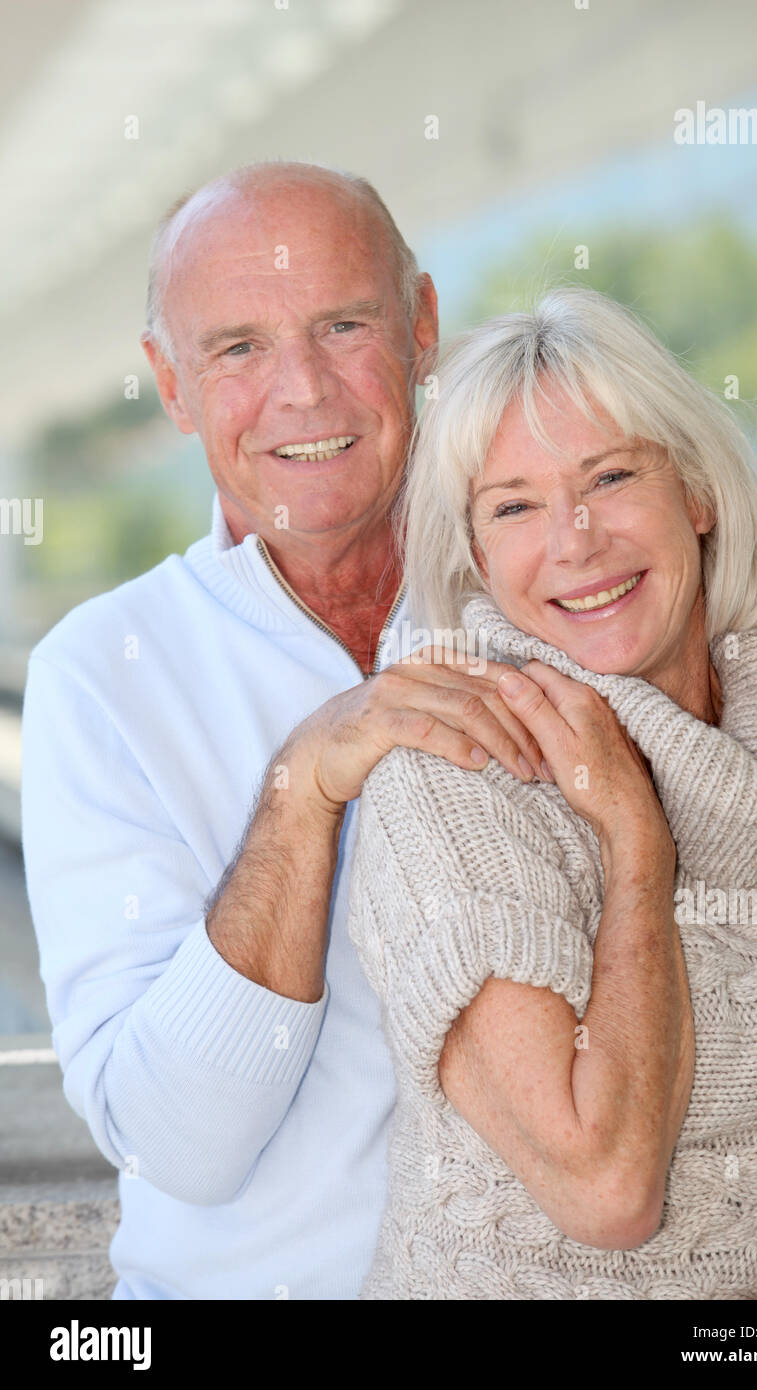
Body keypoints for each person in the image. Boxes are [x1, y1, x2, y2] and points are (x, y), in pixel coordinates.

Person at [20, 160, 546, 1300]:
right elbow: (181, 1149)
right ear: (171, 383)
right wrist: (302, 785)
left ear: (420, 326)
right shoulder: (101, 678)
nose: (302, 391)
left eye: (342, 324)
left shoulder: (554, 592)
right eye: (238, 349)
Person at [347, 285, 757, 1300]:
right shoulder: (450, 780)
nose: (575, 540)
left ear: (697, 493)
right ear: (479, 559)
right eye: (514, 506)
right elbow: (606, 1188)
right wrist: (637, 840)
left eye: (611, 476)